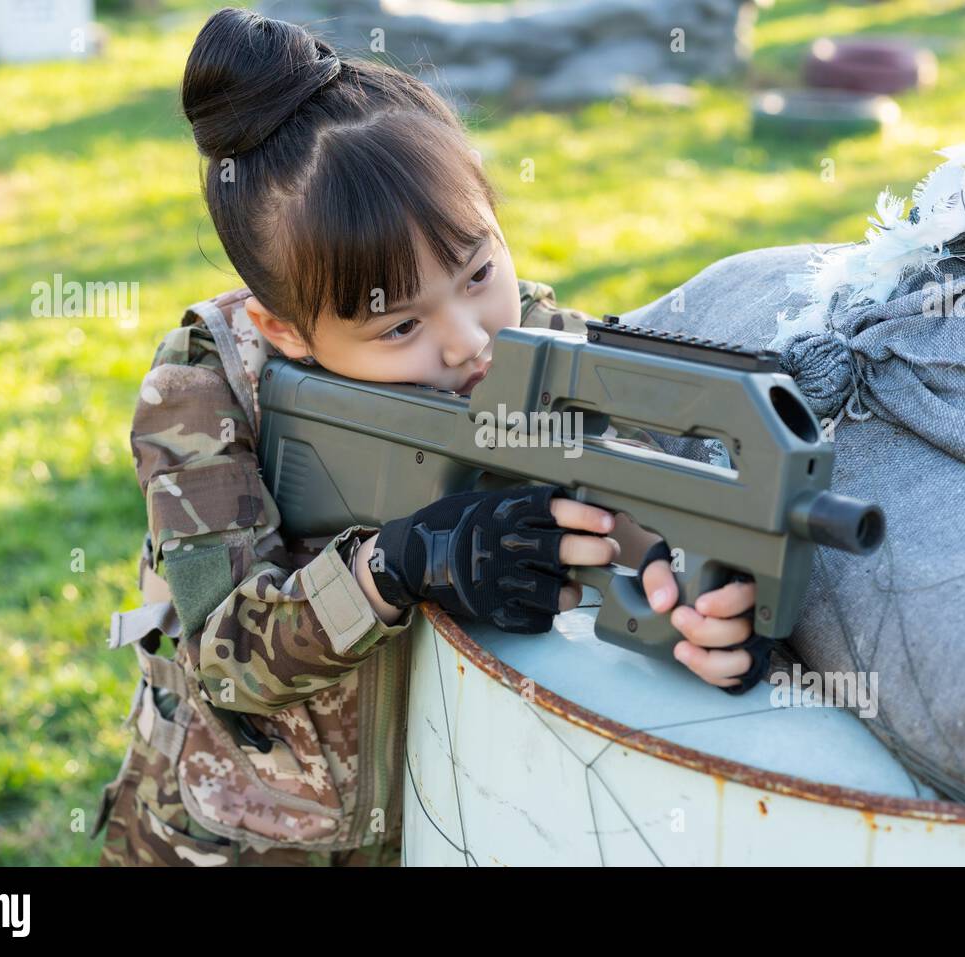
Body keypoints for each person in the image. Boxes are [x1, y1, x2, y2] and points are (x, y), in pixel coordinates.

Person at [92, 7, 769, 867]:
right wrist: (401, 563)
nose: (467, 340)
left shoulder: (541, 351)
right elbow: (225, 660)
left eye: (479, 272)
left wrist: (694, 605)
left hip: (446, 825)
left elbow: (629, 506)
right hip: (232, 841)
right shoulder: (203, 387)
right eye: (401, 326)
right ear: (286, 330)